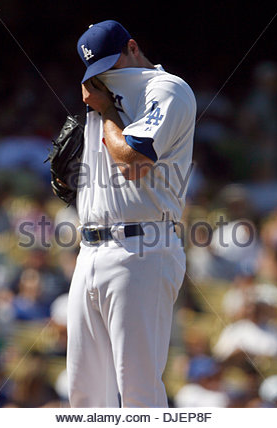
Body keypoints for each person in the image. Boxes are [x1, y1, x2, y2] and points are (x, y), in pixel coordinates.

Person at [67, 20, 196, 407]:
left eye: (111, 64)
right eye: (97, 71)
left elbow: (134, 160)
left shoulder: (166, 88)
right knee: (84, 395)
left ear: (133, 47)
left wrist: (106, 109)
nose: (105, 76)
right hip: (89, 250)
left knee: (138, 393)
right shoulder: (103, 97)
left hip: (142, 250)